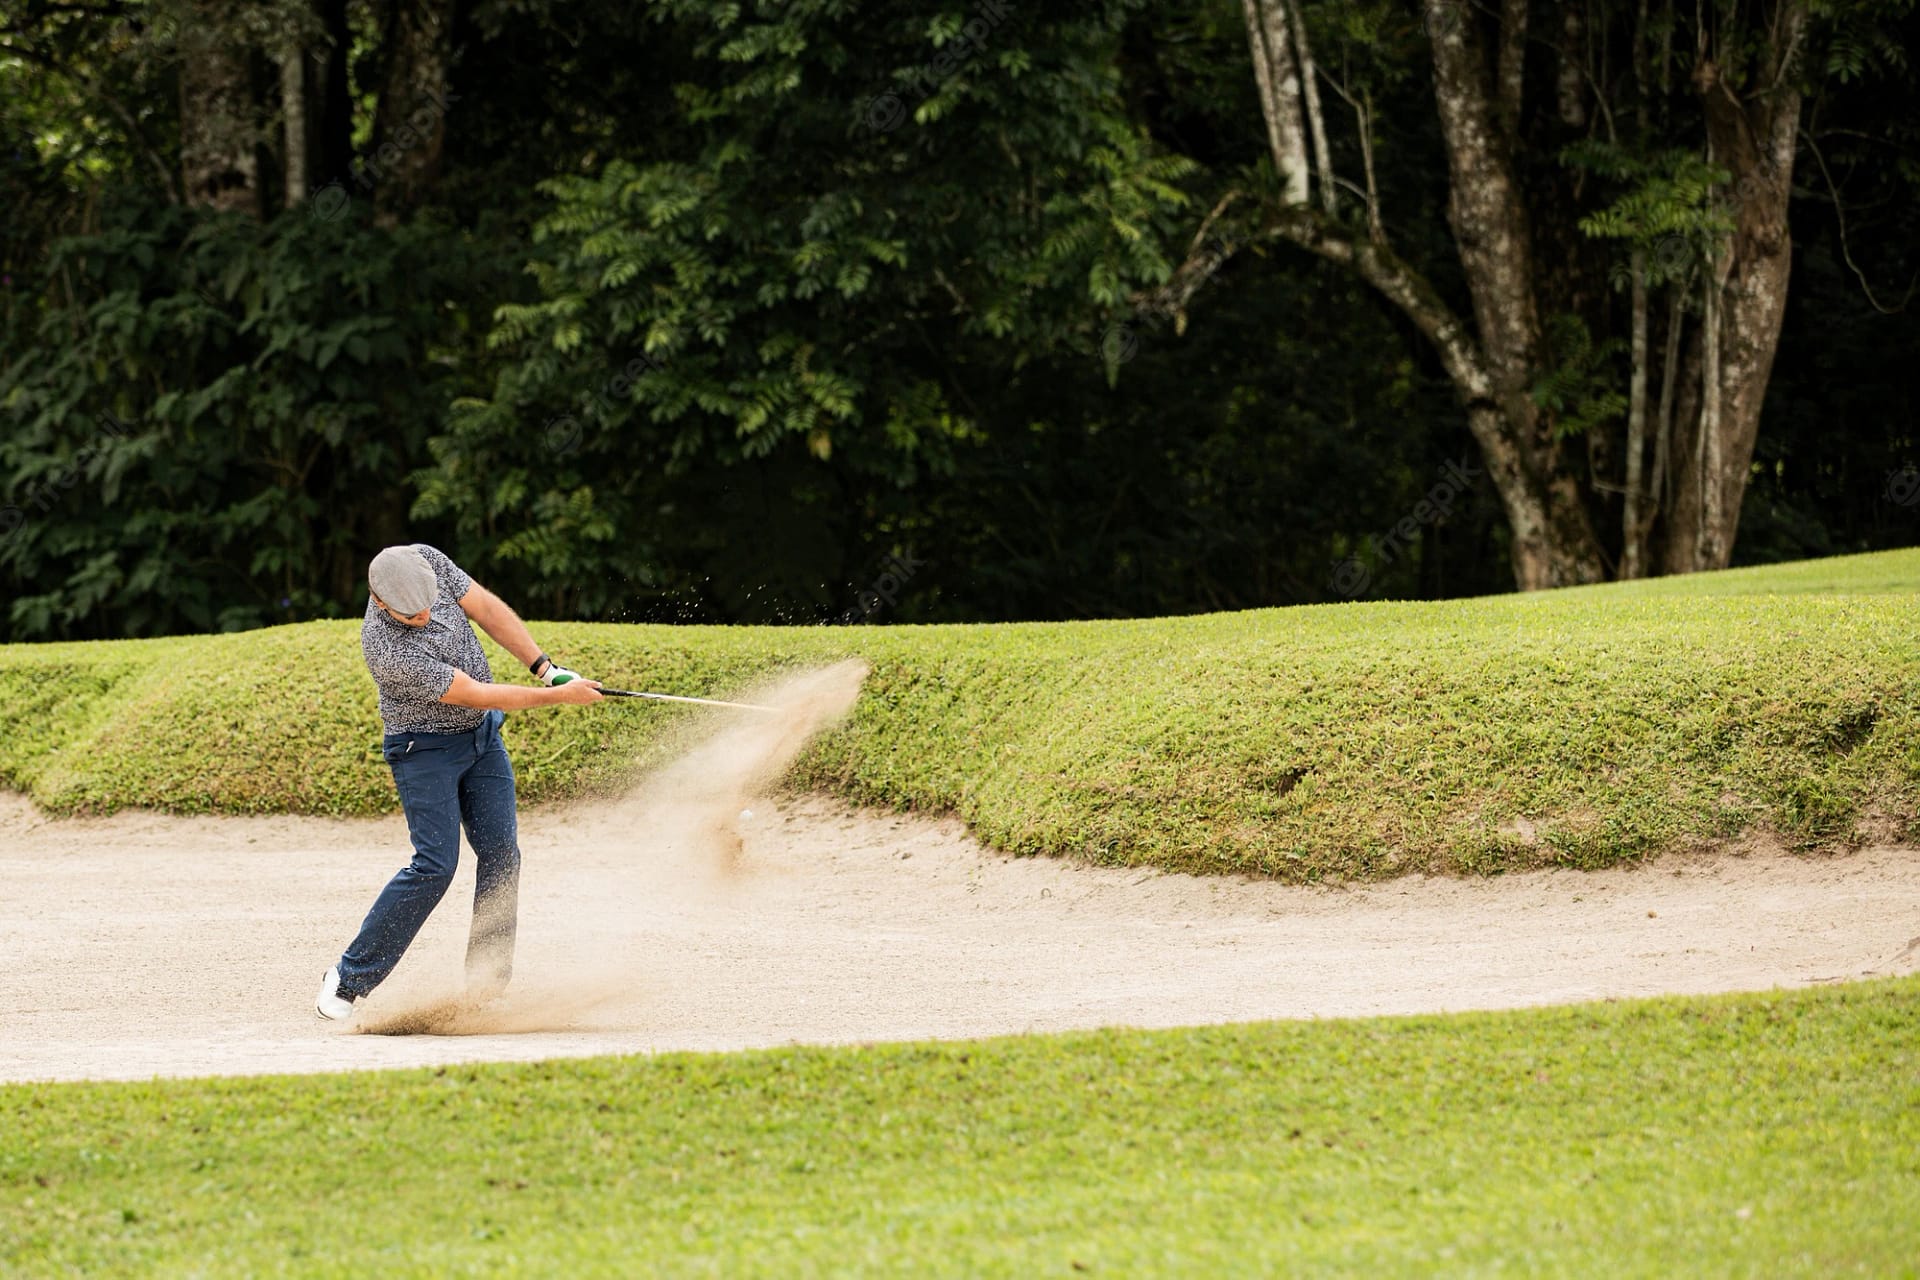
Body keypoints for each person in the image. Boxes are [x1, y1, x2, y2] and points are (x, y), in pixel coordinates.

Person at [316, 544, 603, 1021]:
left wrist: (546, 669)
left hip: (481, 740)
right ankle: (348, 978)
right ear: (381, 602)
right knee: (435, 865)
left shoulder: (428, 559)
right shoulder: (386, 649)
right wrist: (560, 698)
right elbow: (476, 693)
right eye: (413, 615)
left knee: (502, 854)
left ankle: (485, 988)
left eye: (430, 604)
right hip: (424, 751)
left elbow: (485, 608)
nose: (427, 616)